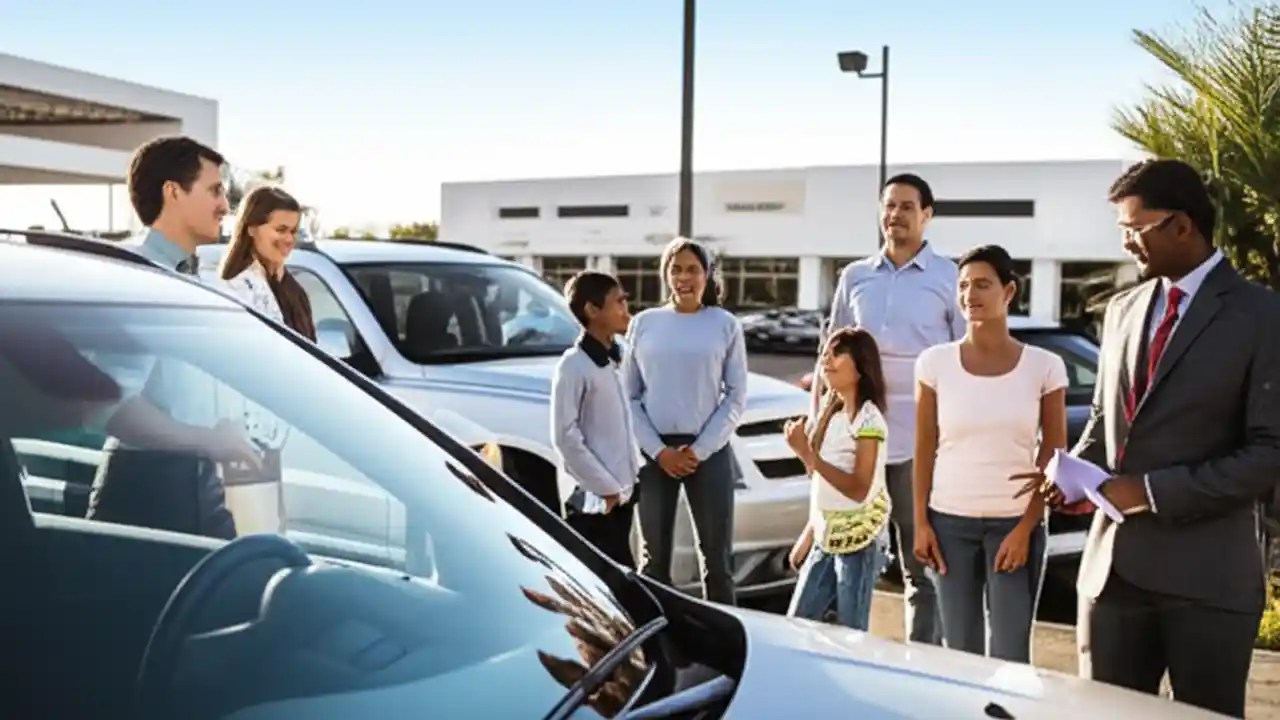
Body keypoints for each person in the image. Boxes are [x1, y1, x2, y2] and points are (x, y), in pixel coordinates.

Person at [1018, 158, 1280, 717]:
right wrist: (1072, 473)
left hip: (1207, 583)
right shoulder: (1123, 309)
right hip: (1111, 579)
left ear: (1182, 225)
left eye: (1134, 229)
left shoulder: (1262, 316)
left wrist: (1149, 491)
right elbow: (1104, 422)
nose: (1127, 244)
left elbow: (1269, 453)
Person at [85, 136, 259, 539]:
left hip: (197, 484)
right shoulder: (138, 281)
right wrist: (210, 441)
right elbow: (112, 408)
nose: (226, 206)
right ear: (173, 192)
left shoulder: (190, 278)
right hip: (151, 493)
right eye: (214, 190)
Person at [818, 172, 965, 644]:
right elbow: (831, 354)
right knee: (841, 557)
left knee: (920, 567)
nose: (894, 215)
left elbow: (964, 358)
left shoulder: (950, 277)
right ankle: (843, 659)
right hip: (857, 442)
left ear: (927, 214)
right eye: (888, 206)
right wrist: (820, 428)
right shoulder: (854, 276)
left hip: (918, 444)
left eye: (906, 206)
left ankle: (921, 665)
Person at [911, 244, 1068, 663]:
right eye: (963, 286)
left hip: (1015, 526)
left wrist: (1026, 528)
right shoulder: (933, 363)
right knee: (959, 654)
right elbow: (924, 447)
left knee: (1010, 656)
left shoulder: (1045, 366)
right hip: (949, 525)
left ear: (1009, 292)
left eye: (982, 284)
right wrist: (921, 522)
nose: (970, 295)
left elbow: (1054, 460)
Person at [624, 237, 748, 605]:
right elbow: (628, 396)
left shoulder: (725, 324)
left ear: (707, 275)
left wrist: (699, 450)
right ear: (665, 274)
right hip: (653, 454)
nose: (684, 277)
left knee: (717, 560)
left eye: (692, 269)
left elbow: (736, 395)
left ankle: (724, 645)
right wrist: (659, 452)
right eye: (675, 269)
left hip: (708, 454)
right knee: (654, 561)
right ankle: (658, 643)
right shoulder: (644, 323)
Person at [785, 327, 892, 630]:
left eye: (836, 353)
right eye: (823, 354)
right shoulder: (830, 414)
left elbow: (859, 489)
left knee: (851, 633)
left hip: (859, 540)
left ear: (860, 365)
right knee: (798, 626)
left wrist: (807, 453)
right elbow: (821, 483)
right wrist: (808, 536)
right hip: (825, 536)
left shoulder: (868, 420)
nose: (826, 361)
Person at [551, 271, 640, 568]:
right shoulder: (573, 366)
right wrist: (607, 488)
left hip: (622, 497)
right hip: (594, 502)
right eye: (618, 302)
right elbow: (565, 437)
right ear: (592, 310)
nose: (626, 310)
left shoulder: (619, 357)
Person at [219, 185, 317, 341]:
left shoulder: (295, 291)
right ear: (251, 229)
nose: (289, 239)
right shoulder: (237, 291)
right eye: (281, 230)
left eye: (293, 231)